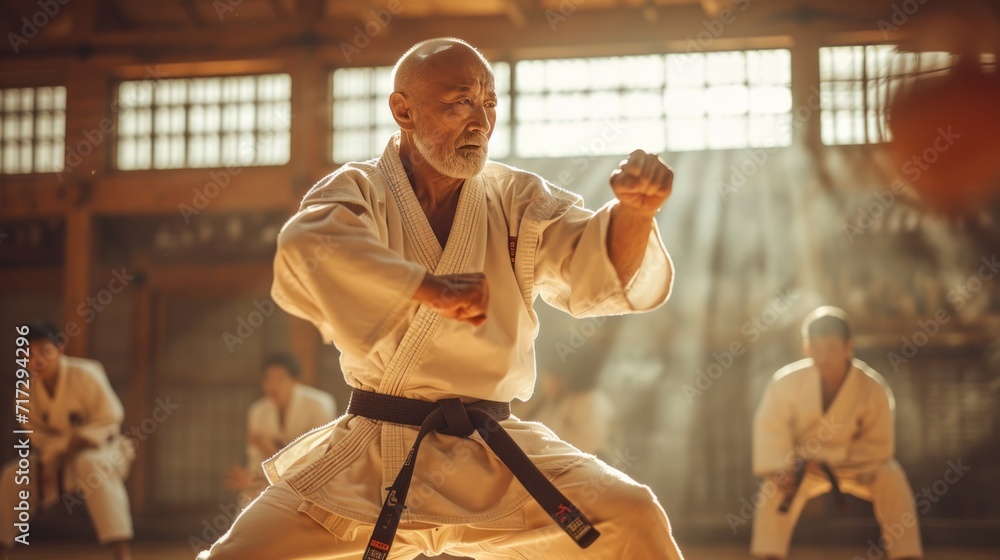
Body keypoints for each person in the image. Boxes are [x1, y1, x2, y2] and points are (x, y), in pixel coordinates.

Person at [199, 37, 682, 559]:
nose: (480, 122)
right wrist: (424, 288)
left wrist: (635, 215)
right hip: (373, 457)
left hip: (494, 457)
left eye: (489, 103)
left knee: (632, 517)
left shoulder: (516, 198)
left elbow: (594, 265)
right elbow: (309, 244)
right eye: (459, 103)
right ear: (403, 111)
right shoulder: (360, 188)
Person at [751, 306, 923, 560]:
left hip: (855, 464)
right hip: (802, 468)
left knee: (891, 477)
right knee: (774, 489)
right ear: (807, 348)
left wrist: (829, 456)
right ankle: (767, 554)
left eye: (831, 349)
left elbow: (879, 447)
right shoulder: (786, 382)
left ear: (847, 346)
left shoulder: (871, 387)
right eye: (817, 349)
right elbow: (771, 428)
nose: (825, 357)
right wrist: (782, 467)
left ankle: (906, 554)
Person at [0, 320, 135, 560]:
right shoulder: (25, 394)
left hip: (105, 450)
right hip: (55, 460)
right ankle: (3, 547)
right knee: (15, 474)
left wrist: (73, 442)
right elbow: (39, 440)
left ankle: (121, 551)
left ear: (60, 349)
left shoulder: (87, 373)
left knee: (90, 463)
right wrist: (55, 455)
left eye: (44, 351)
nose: (37, 359)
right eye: (28, 354)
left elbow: (111, 419)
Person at [224, 353, 337, 507]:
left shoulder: (319, 404)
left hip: (311, 485)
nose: (272, 385)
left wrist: (267, 447)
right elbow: (256, 460)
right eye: (267, 378)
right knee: (249, 509)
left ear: (295, 381)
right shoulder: (258, 411)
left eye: (280, 379)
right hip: (267, 484)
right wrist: (251, 478)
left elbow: (317, 458)